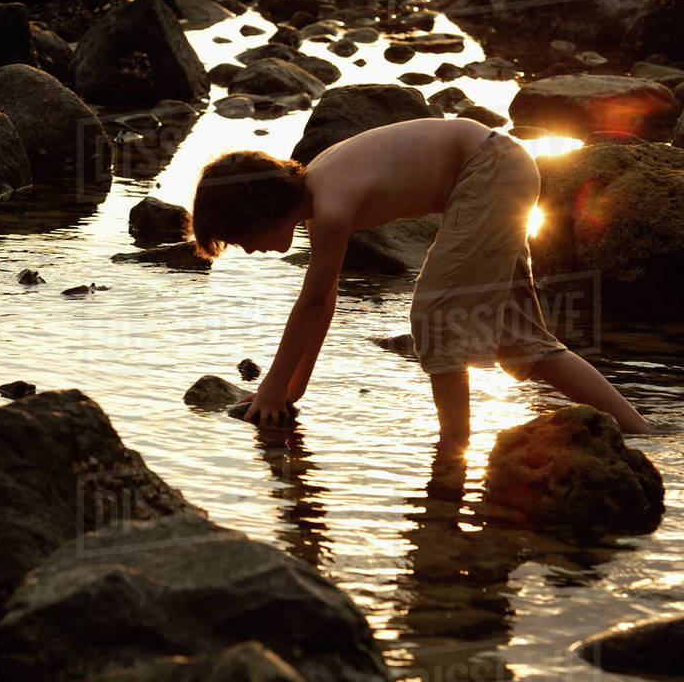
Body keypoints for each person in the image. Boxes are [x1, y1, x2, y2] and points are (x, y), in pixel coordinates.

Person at [191, 118, 649, 441]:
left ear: (260, 211)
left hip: (488, 167)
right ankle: (642, 432)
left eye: (240, 237)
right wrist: (290, 390)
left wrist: (272, 385)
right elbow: (324, 302)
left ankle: (454, 445)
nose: (247, 249)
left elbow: (310, 303)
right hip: (502, 164)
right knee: (517, 336)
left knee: (434, 315)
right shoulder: (320, 198)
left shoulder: (330, 206)